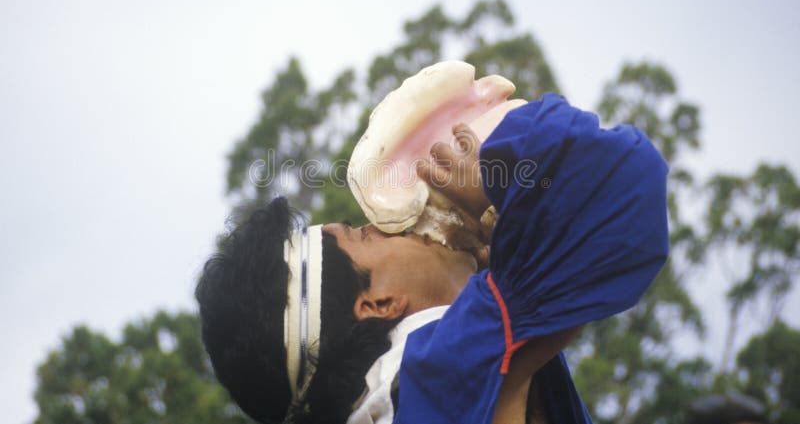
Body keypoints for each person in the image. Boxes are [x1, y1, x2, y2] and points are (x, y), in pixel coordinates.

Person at [195, 93, 669, 424]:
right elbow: (626, 185)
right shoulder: (436, 373)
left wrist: (508, 251)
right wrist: (497, 174)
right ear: (378, 302)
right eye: (365, 234)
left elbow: (560, 297)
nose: (385, 226)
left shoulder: (415, 395)